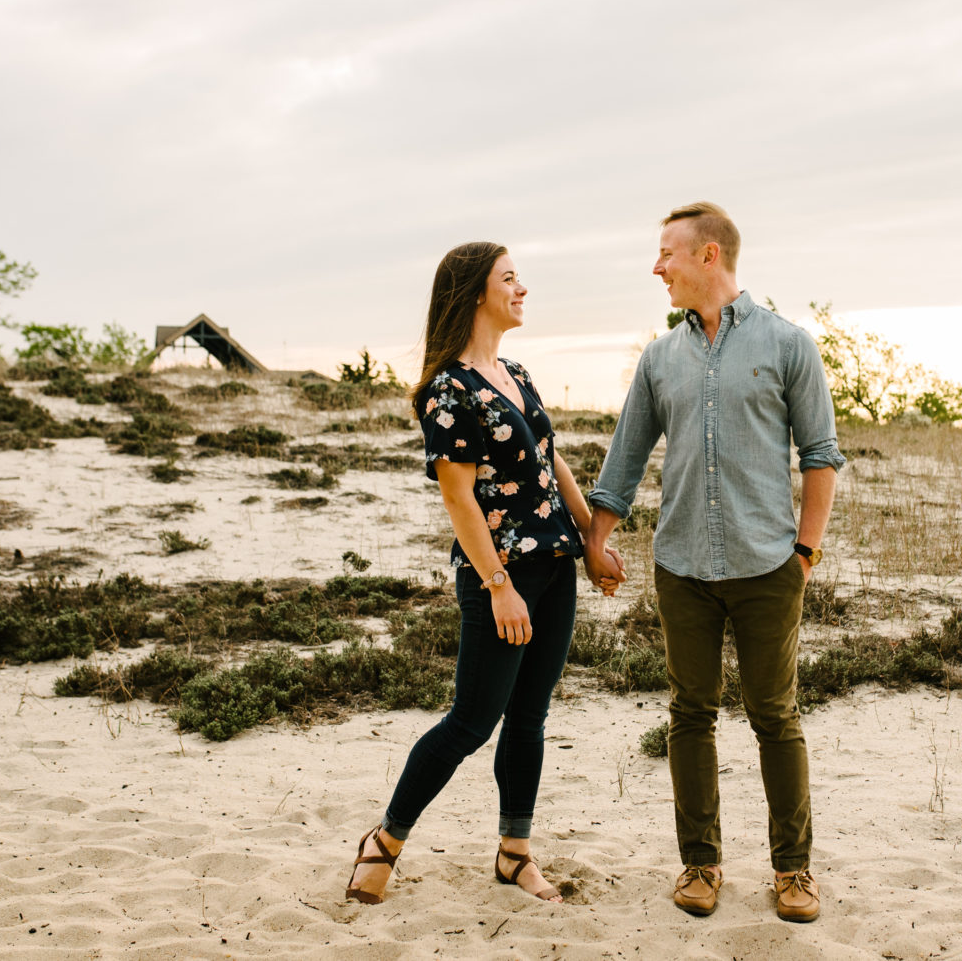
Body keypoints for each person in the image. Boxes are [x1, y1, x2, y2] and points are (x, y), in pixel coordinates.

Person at [584, 202, 844, 923]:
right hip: (683, 569)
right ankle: (700, 863)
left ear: (708, 257)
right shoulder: (660, 359)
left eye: (666, 253)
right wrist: (598, 537)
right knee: (690, 714)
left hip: (769, 569)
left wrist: (805, 553)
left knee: (775, 717)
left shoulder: (789, 345)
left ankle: (793, 871)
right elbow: (624, 457)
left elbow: (821, 456)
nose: (656, 267)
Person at [346, 241, 625, 906]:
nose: (522, 288)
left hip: (555, 567)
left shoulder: (517, 374)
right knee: (472, 721)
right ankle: (384, 840)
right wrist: (498, 585)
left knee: (529, 719)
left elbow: (553, 464)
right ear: (475, 293)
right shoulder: (450, 389)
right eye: (510, 278)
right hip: (500, 576)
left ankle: (514, 854)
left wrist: (591, 539)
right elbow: (457, 496)